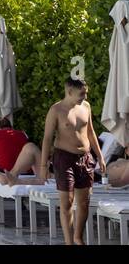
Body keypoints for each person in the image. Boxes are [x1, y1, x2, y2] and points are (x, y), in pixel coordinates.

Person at [37, 77, 108, 245]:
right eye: (81, 94)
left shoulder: (86, 107)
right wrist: (43, 165)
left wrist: (100, 155)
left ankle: (78, 237)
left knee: (84, 203)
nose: (84, 96)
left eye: (86, 93)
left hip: (85, 158)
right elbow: (47, 139)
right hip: (64, 158)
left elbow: (90, 131)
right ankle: (69, 242)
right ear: (69, 92)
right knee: (67, 202)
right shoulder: (56, 110)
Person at [0, 117, 43, 185]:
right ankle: (9, 177)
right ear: (11, 126)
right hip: (25, 170)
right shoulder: (22, 134)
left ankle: (1, 176)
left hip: (5, 170)